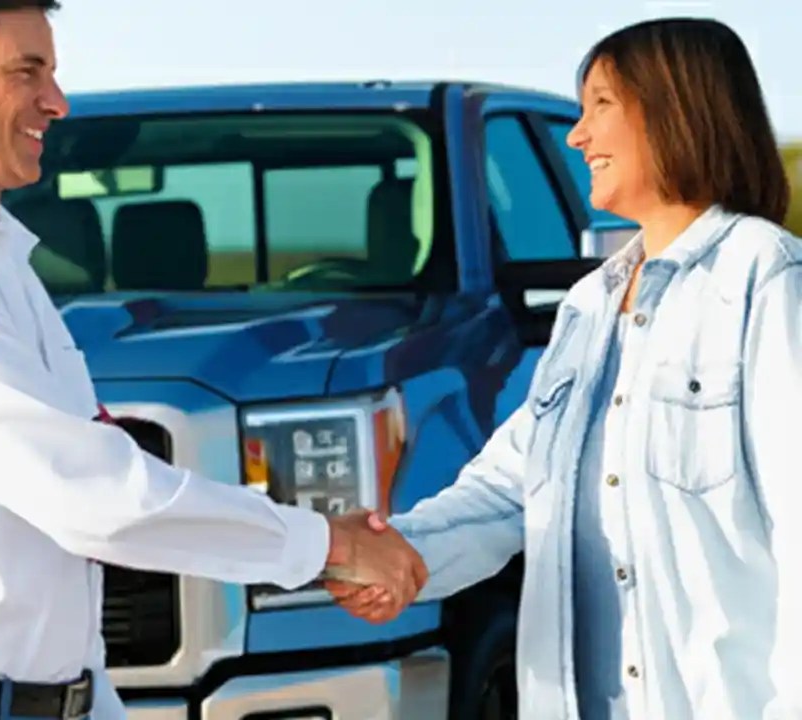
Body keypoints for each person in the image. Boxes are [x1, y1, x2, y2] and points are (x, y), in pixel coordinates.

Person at [0, 2, 426, 719]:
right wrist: (325, 543)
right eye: (27, 71)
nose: (55, 102)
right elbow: (82, 492)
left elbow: (67, 523)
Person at [333, 16, 800, 720]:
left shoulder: (764, 278)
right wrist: (404, 554)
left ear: (677, 109)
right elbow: (508, 491)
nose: (577, 135)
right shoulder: (587, 308)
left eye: (600, 107)